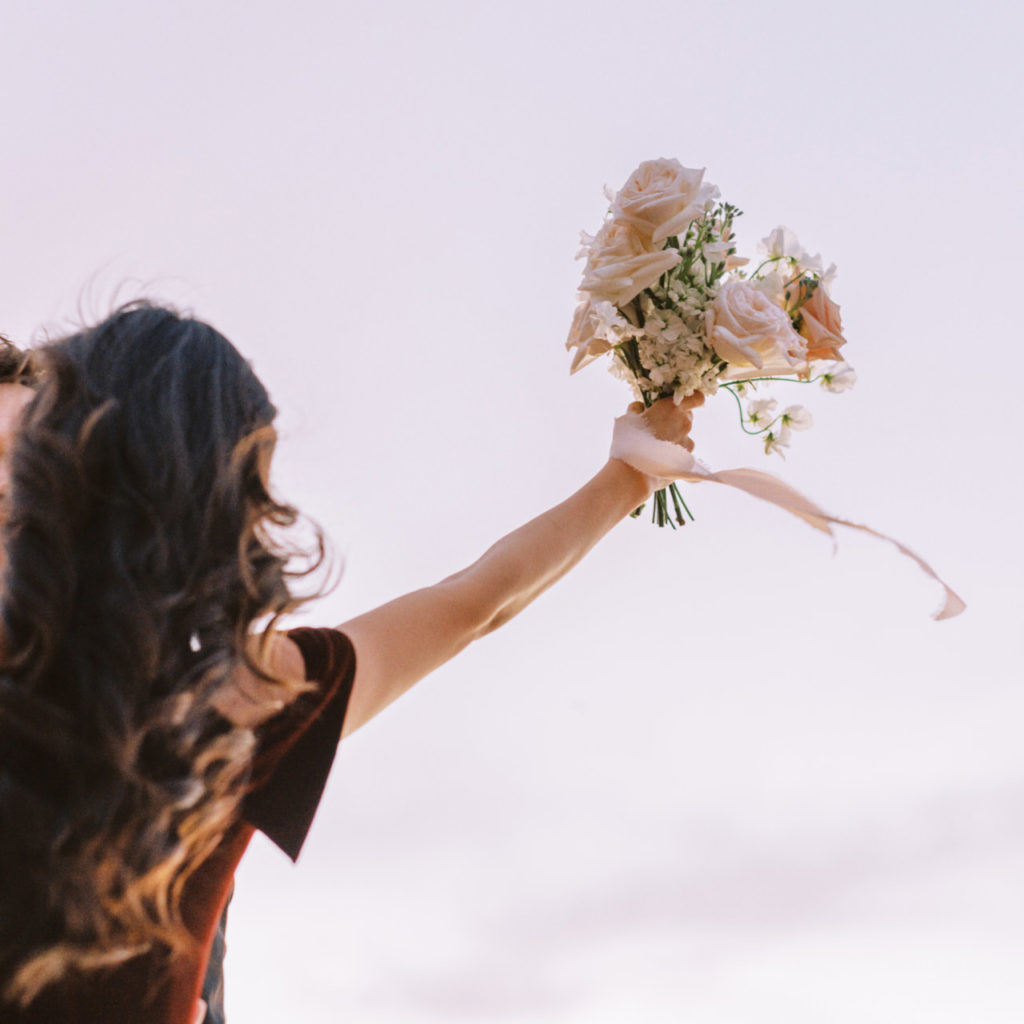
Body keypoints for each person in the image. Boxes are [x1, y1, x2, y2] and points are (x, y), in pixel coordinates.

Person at [0, 302, 700, 1023]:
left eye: (23, 466)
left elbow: (475, 602)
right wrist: (630, 476)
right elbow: (476, 601)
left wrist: (630, 477)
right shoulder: (240, 696)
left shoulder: (243, 691)